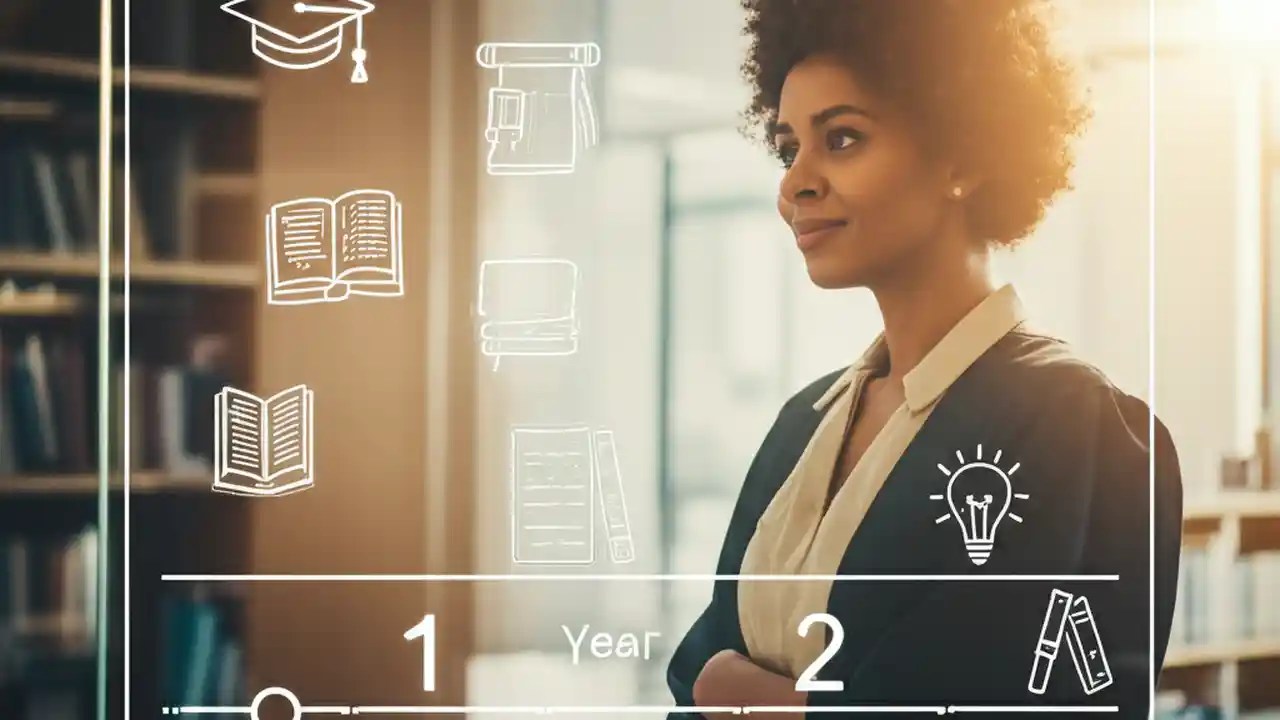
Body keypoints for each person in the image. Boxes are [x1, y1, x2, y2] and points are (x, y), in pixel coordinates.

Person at [665, 1, 1183, 717]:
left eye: (841, 139)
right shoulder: (803, 424)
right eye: (788, 149)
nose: (794, 184)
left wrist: (757, 694)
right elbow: (695, 674)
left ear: (963, 158)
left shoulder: (1078, 426)